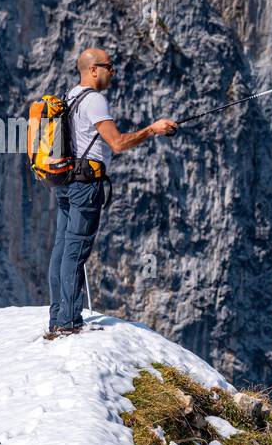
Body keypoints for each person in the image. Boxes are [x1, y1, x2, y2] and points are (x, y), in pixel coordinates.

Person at [46, 48, 177, 337]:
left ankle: (57, 317)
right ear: (93, 70)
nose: (112, 72)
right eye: (109, 67)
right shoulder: (94, 100)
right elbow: (117, 143)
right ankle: (68, 322)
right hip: (85, 184)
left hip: (65, 182)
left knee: (62, 248)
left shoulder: (70, 96)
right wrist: (153, 129)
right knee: (75, 251)